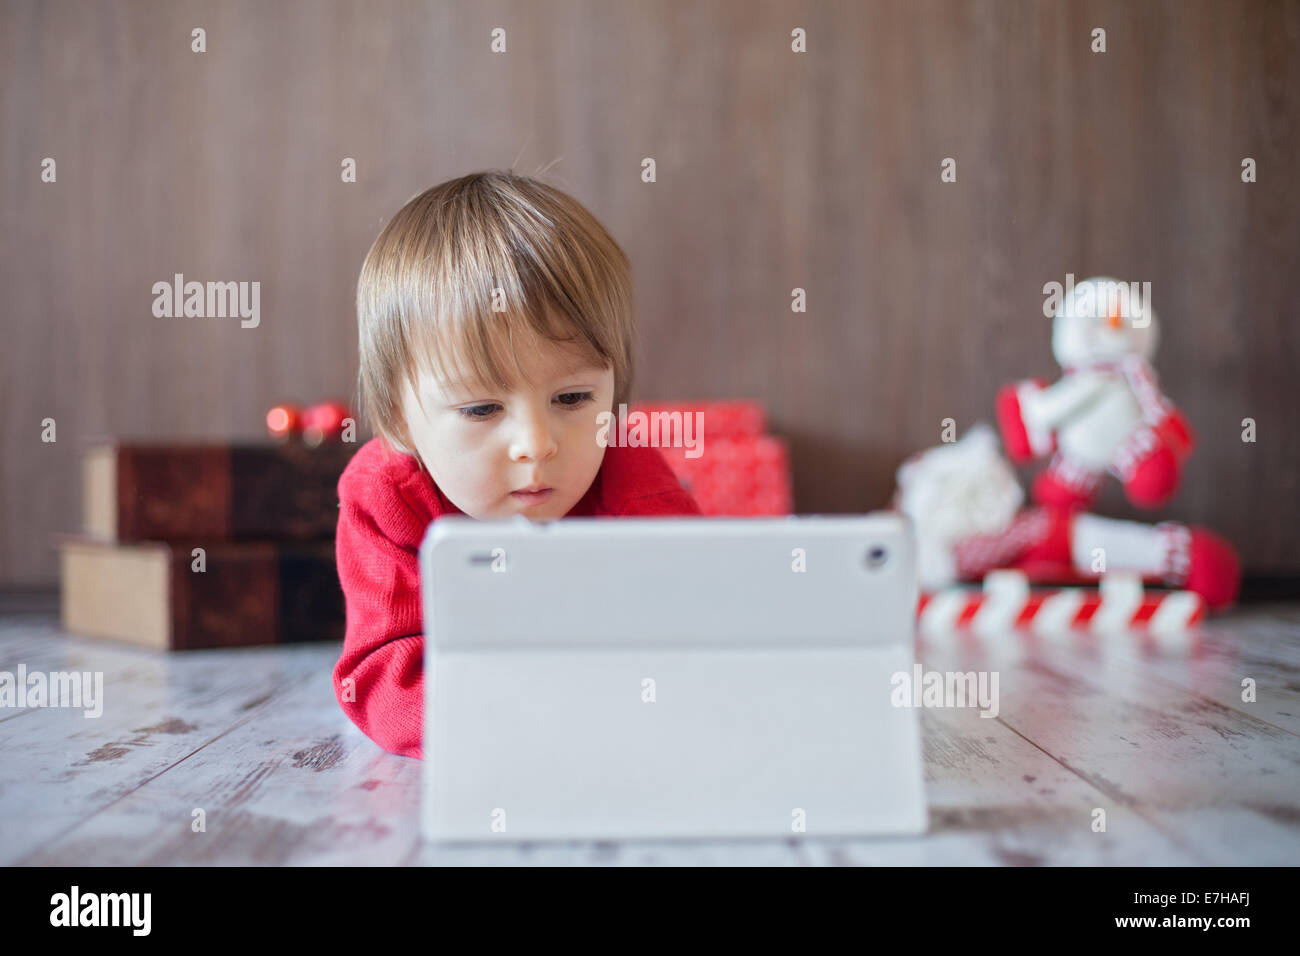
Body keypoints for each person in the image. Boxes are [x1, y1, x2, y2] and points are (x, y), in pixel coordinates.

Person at [333, 171, 701, 758]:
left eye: (573, 399)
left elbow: (702, 633)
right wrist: (528, 713)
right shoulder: (387, 497)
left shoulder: (632, 480)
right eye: (481, 408)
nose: (536, 444)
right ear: (400, 422)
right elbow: (383, 676)